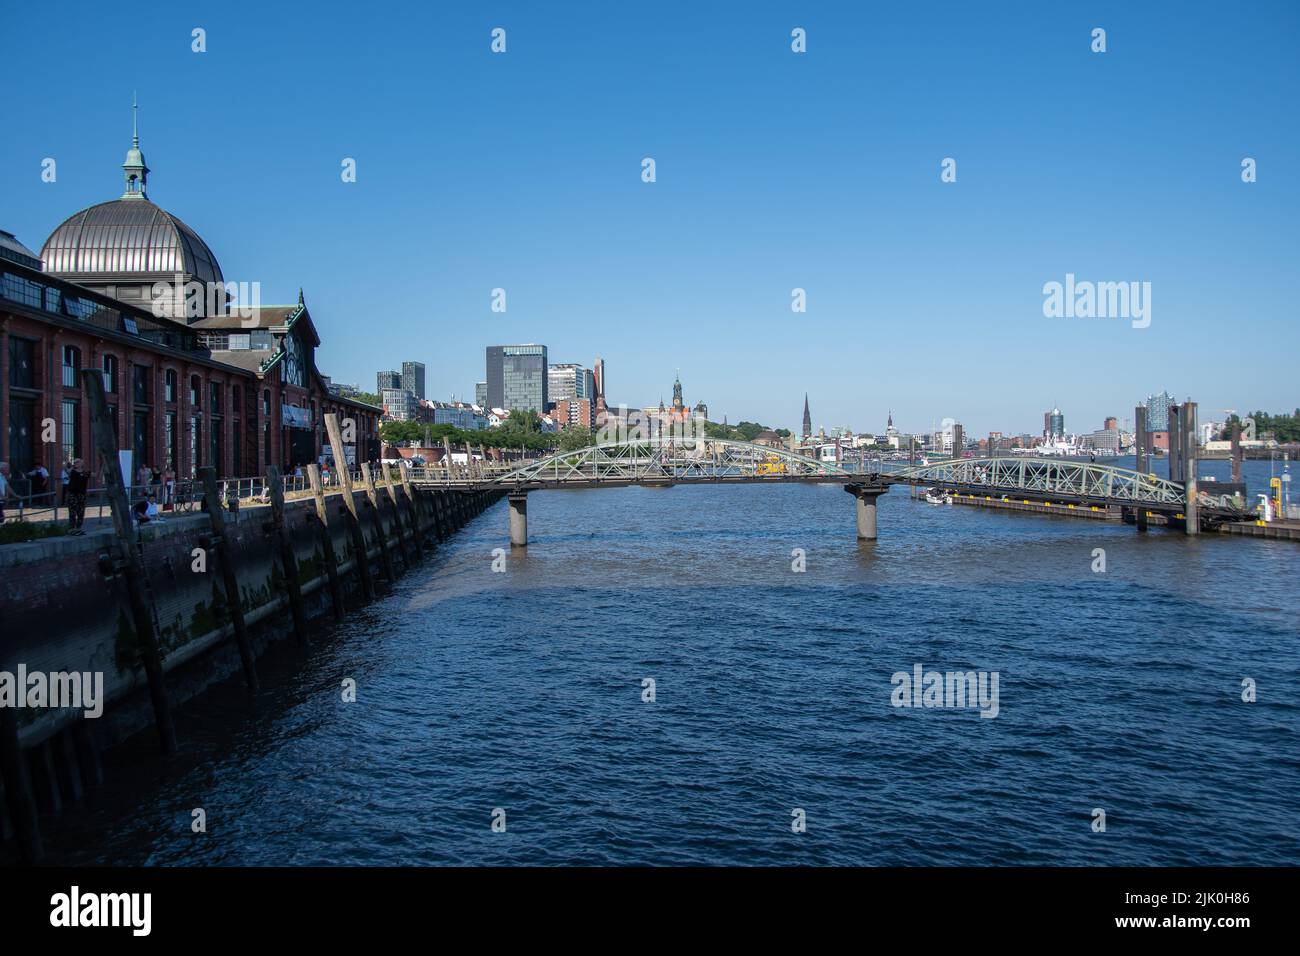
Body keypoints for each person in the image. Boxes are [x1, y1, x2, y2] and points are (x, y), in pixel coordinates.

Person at [65, 458, 90, 535]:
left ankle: (79, 528)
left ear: (82, 463)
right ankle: (72, 529)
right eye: (75, 462)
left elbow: (95, 475)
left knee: (81, 511)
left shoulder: (85, 473)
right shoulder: (72, 471)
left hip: (81, 494)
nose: (76, 463)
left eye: (78, 462)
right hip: (73, 494)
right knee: (73, 511)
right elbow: (67, 470)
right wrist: (71, 465)